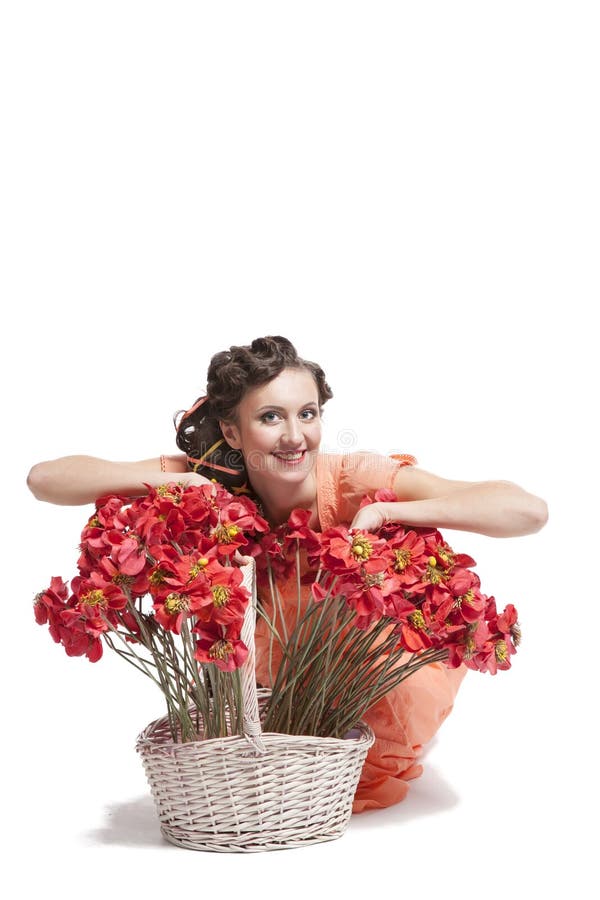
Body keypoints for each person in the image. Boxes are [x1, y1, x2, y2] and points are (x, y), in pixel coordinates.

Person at [27, 335, 548, 813]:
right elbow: (44, 479)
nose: (295, 437)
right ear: (232, 429)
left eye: (308, 413)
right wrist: (177, 482)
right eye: (271, 418)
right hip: (273, 684)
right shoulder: (212, 472)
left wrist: (390, 513)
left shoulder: (351, 478)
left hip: (374, 672)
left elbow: (527, 512)